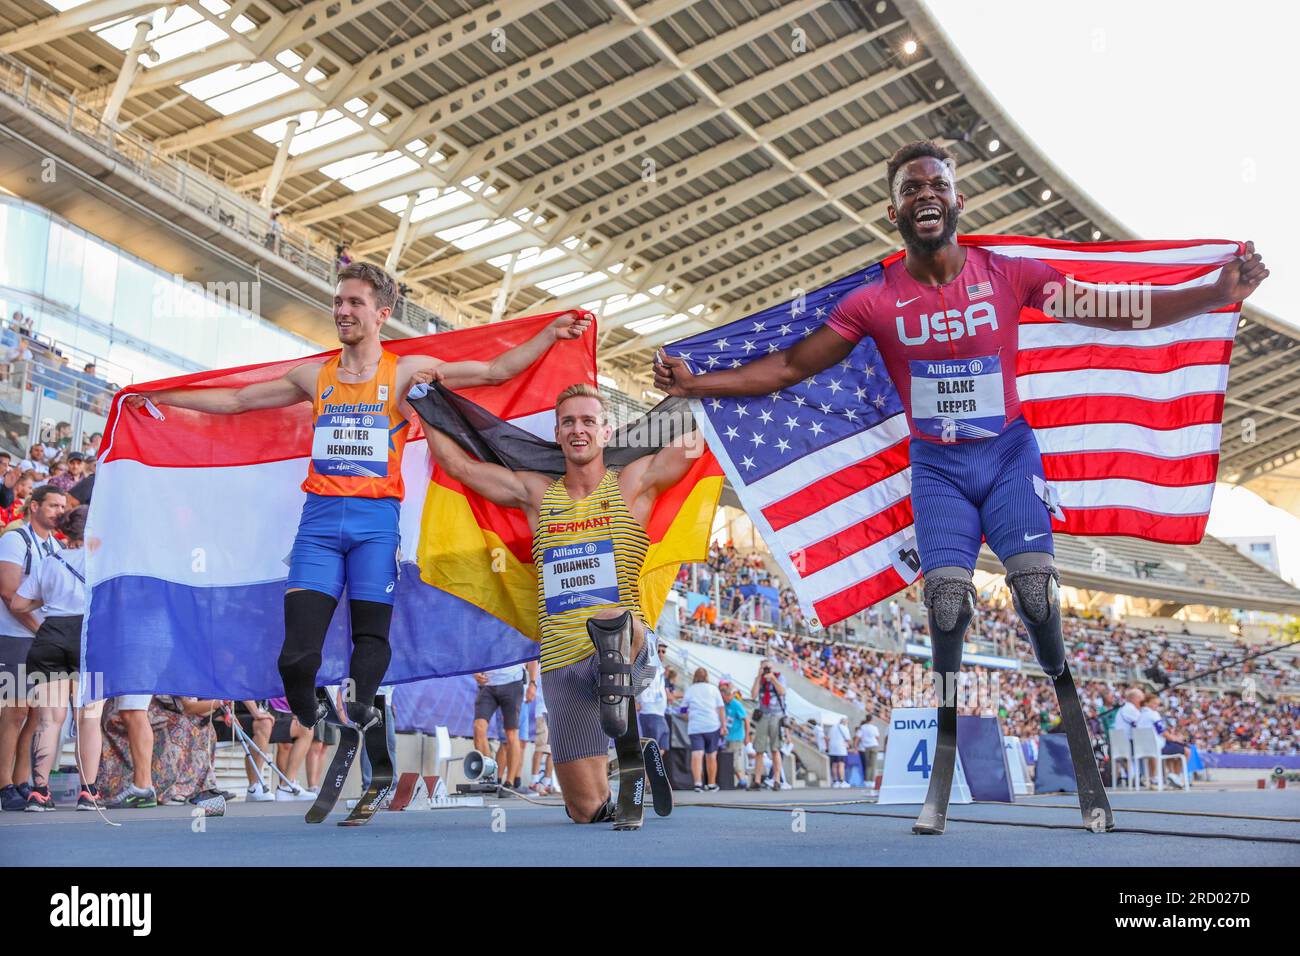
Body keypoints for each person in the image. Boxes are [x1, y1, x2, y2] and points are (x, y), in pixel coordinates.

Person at [654, 139, 1269, 833]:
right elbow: (791, 366)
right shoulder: (874, 302)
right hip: (938, 468)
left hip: (1008, 457)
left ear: (956, 200)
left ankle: (1064, 691)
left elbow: (1116, 310)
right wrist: (696, 382)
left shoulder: (1007, 275)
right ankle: (941, 762)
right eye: (911, 187)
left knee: (1036, 594)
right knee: (945, 607)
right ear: (893, 211)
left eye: (936, 184)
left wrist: (1216, 292)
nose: (925, 194)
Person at [124, 262, 591, 758]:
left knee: (371, 641)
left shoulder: (408, 372)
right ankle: (316, 715)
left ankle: (364, 712)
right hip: (319, 527)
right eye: (339, 302)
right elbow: (240, 399)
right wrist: (157, 393)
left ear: (382, 314)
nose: (342, 311)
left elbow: (495, 372)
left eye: (354, 303)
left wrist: (548, 335)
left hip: (375, 527)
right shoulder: (313, 376)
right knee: (296, 660)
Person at [424, 383, 698, 824]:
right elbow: (459, 465)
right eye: (569, 421)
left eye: (589, 420)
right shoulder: (537, 494)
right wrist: (422, 403)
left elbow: (698, 439)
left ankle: (624, 742)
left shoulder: (632, 482)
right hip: (560, 660)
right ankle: (632, 754)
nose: (578, 429)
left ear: (608, 431)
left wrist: (702, 385)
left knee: (610, 621)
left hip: (627, 644)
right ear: (556, 432)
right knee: (586, 811)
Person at [9, 506, 103, 810]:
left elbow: (19, 602)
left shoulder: (50, 561)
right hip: (88, 637)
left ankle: (40, 792)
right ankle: (88, 793)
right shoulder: (101, 559)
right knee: (89, 718)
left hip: (50, 635)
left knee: (49, 720)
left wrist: (50, 598)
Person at [0, 484, 66, 811]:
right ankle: (4, 784)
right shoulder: (15, 540)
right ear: (35, 506)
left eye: (62, 506)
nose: (59, 511)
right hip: (15, 637)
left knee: (37, 713)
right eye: (53, 505)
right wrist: (44, 631)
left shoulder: (56, 546)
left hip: (42, 639)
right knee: (14, 711)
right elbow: (10, 594)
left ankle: (22, 780)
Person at [472, 661, 537, 790]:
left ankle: (510, 782)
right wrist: (475, 673)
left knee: (511, 734)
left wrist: (533, 683)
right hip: (488, 684)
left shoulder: (520, 639)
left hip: (512, 683)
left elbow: (532, 657)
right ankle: (490, 774)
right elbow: (475, 653)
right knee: (478, 728)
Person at [748, 659, 789, 790]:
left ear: (772, 668)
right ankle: (757, 780)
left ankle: (777, 780)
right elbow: (753, 695)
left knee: (775, 749)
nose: (766, 670)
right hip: (763, 716)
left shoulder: (779, 677)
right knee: (759, 750)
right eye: (764, 668)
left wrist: (772, 679)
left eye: (768, 668)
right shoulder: (759, 679)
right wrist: (758, 677)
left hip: (776, 716)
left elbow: (782, 692)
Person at [683, 668, 725, 792]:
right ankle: (711, 784)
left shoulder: (690, 690)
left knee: (697, 754)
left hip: (695, 726)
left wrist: (689, 718)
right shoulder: (713, 689)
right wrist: (723, 725)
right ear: (707, 677)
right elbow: (721, 708)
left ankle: (697, 783)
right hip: (712, 725)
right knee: (711, 755)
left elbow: (683, 710)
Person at [636, 643, 670, 751]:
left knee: (662, 747)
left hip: (660, 713)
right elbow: (635, 685)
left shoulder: (660, 670)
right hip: (649, 712)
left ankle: (651, 767)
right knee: (651, 749)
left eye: (663, 651)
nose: (660, 654)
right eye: (658, 651)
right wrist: (635, 701)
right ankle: (648, 768)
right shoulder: (646, 668)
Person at [722, 683, 750, 787]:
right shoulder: (723, 704)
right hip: (726, 737)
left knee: (735, 760)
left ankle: (742, 780)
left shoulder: (736, 704)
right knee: (728, 760)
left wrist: (747, 736)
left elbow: (746, 720)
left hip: (736, 737)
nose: (727, 698)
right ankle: (736, 780)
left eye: (729, 695)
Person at [856, 718, 881, 788]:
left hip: (866, 746)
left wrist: (855, 746)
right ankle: (872, 781)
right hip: (874, 745)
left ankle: (867, 780)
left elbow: (858, 737)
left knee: (868, 765)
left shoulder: (862, 727)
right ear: (872, 720)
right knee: (873, 764)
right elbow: (877, 737)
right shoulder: (874, 727)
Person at [827, 715, 851, 788]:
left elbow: (828, 738)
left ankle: (835, 781)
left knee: (834, 765)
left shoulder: (832, 727)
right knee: (841, 765)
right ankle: (841, 781)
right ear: (845, 721)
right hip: (841, 748)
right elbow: (848, 739)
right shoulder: (845, 728)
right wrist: (849, 746)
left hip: (832, 748)